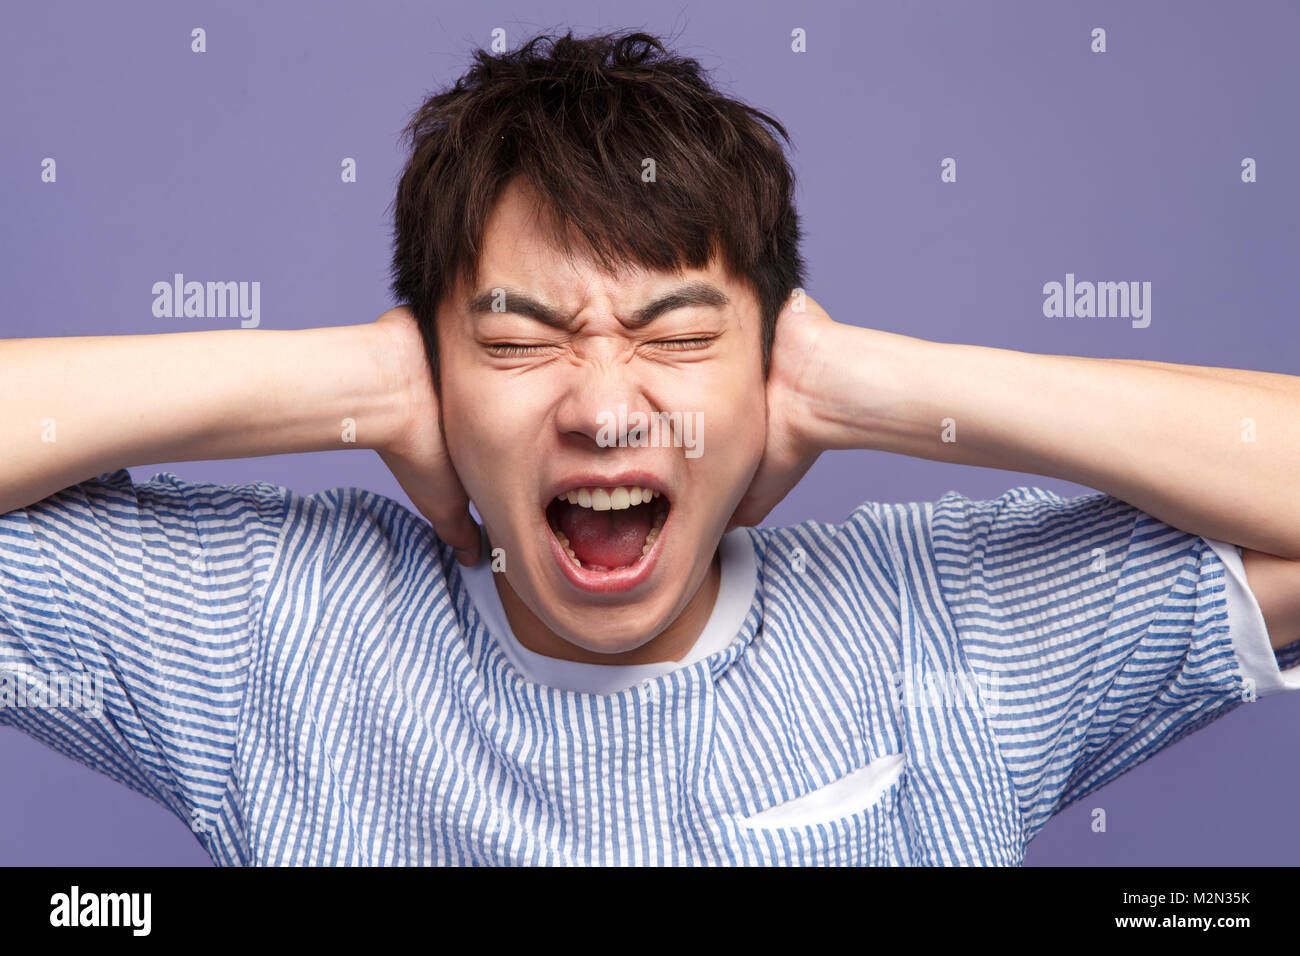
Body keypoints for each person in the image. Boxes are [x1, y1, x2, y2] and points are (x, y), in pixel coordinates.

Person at [2, 29, 1298, 866]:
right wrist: (350, 379)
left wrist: (876, 384)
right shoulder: (276, 636)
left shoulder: (941, 626)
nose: (608, 410)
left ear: (772, 364)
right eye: (517, 341)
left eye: (677, 336)